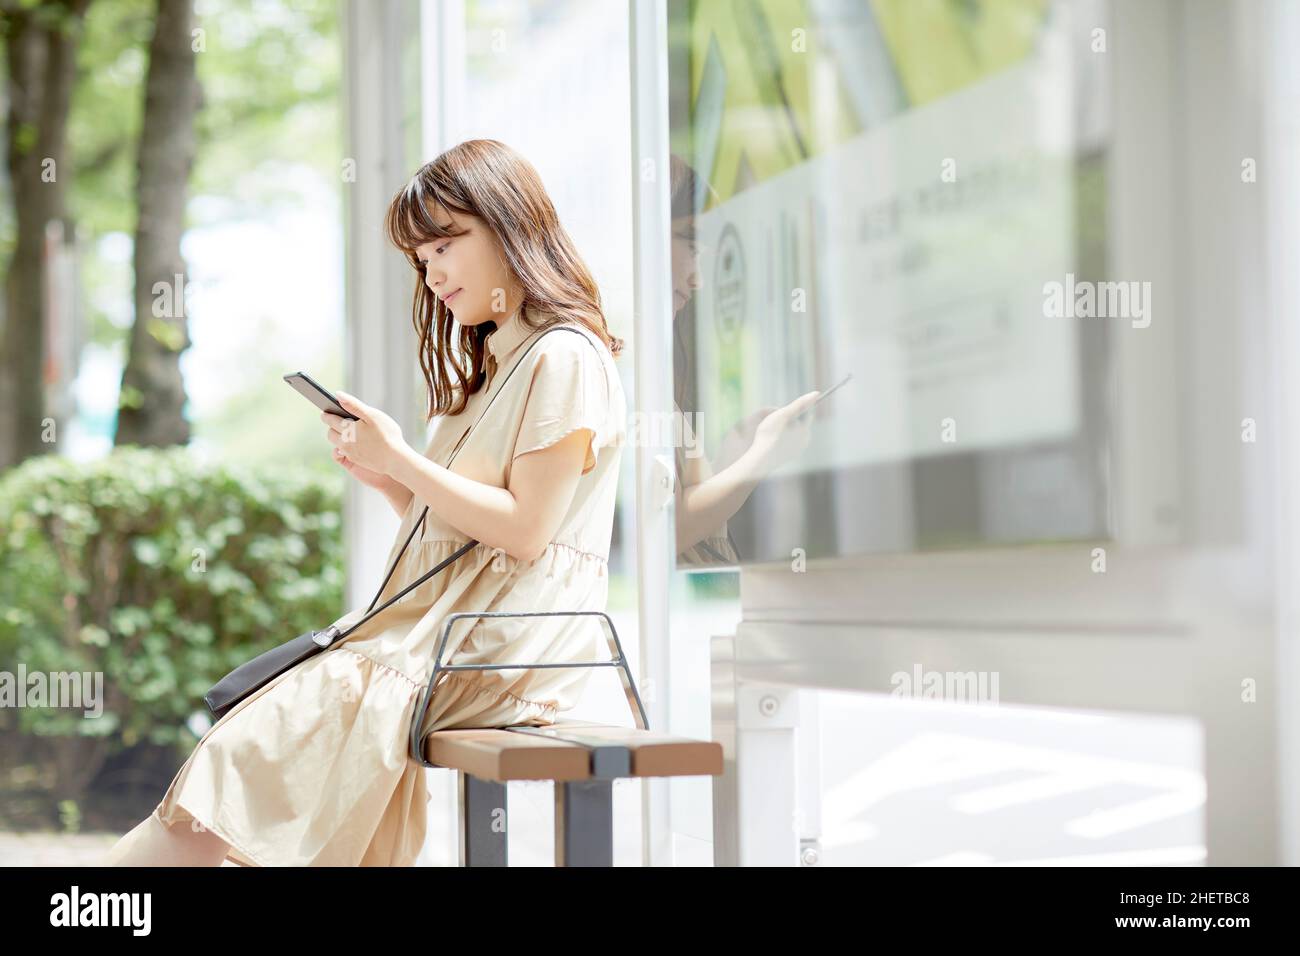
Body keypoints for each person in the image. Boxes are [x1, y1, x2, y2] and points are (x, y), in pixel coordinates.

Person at [102, 139, 628, 866]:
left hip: (502, 646)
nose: (433, 271)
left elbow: (528, 531)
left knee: (241, 759)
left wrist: (403, 458)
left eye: (445, 244)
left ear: (510, 225)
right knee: (238, 757)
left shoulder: (564, 356)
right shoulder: (503, 361)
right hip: (447, 636)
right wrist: (388, 479)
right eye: (421, 257)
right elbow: (464, 538)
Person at [666, 153, 820, 567]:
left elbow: (688, 514)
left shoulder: (651, 373)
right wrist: (759, 457)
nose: (697, 278)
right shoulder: (619, 372)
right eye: (692, 245)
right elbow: (666, 530)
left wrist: (732, 458)